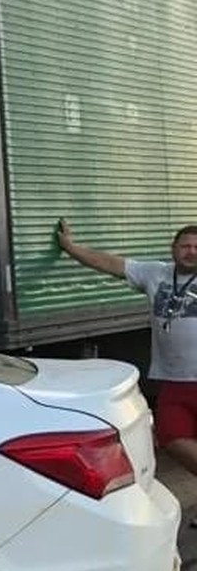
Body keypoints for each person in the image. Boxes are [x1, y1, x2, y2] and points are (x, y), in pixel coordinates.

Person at [58, 218, 197, 509]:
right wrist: (70, 248)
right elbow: (109, 263)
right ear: (173, 249)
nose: (191, 251)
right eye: (185, 246)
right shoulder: (155, 274)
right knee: (172, 437)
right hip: (173, 379)